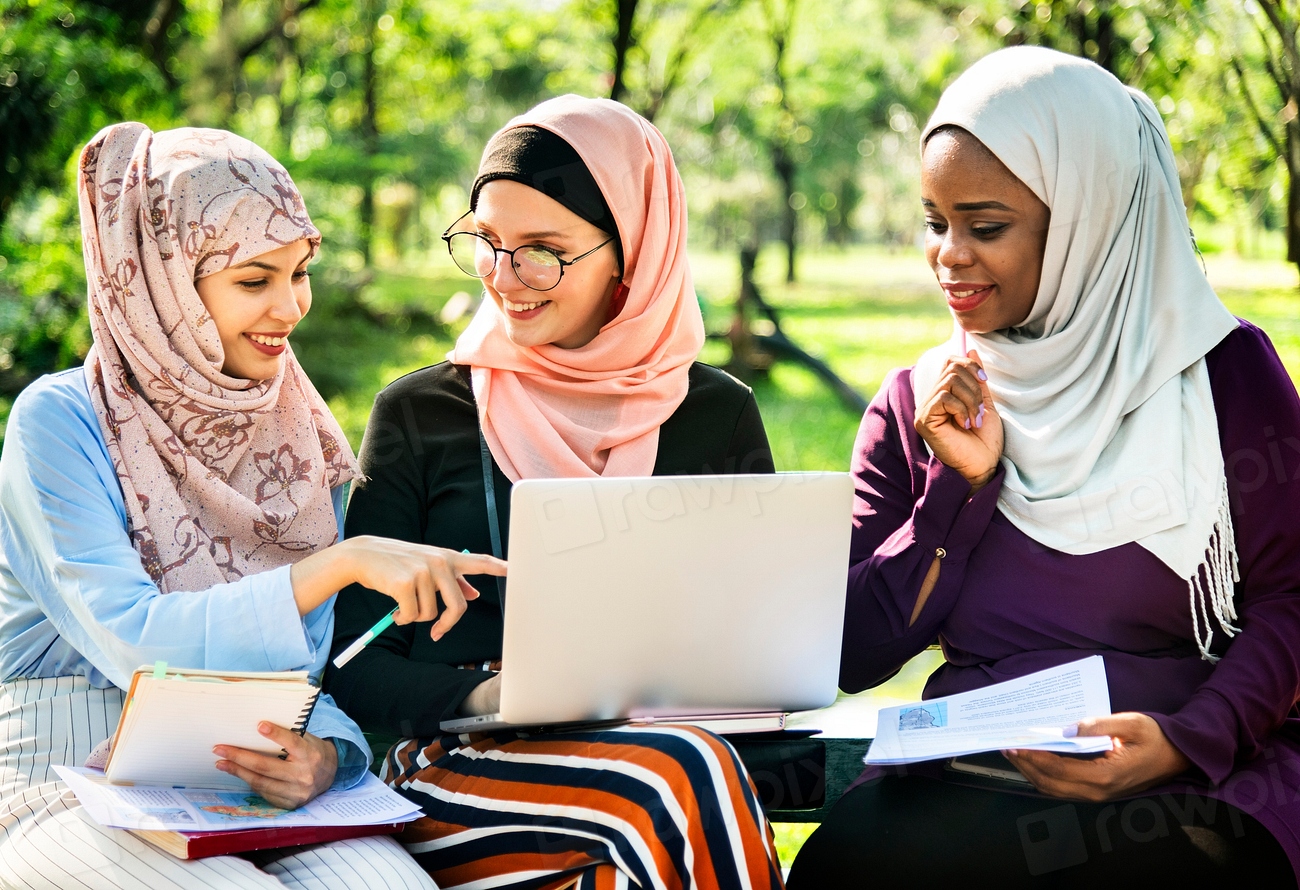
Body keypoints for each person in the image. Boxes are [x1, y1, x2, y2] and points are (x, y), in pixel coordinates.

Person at [787, 47, 1300, 888]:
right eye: (934, 222)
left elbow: (1291, 603)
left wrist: (1185, 740)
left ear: (1087, 221)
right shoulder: (924, 403)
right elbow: (852, 654)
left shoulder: (1220, 376)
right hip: (972, 775)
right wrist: (957, 491)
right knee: (847, 864)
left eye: (984, 227)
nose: (948, 256)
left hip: (1196, 773)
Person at [0, 122, 505, 889]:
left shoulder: (289, 435)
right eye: (253, 280)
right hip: (61, 782)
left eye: (300, 272)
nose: (291, 306)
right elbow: (134, 644)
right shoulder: (58, 423)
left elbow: (303, 669)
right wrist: (340, 564)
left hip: (240, 788)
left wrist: (326, 756)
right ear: (163, 282)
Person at [325, 95, 784, 890]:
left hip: (653, 752)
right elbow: (351, 665)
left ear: (631, 252)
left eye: (543, 250)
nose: (505, 279)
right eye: (488, 242)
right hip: (456, 766)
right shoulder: (421, 414)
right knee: (677, 783)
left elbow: (761, 631)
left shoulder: (717, 414)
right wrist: (496, 691)